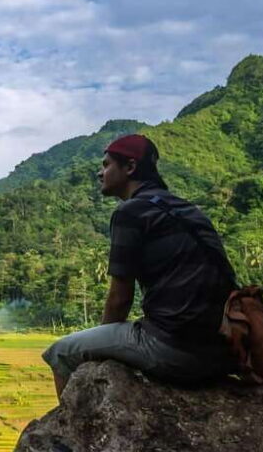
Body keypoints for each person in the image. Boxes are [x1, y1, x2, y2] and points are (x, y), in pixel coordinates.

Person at [42, 134, 237, 398]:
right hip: (223, 351)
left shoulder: (130, 213)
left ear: (130, 167)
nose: (100, 173)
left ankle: (66, 431)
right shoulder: (187, 209)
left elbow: (120, 299)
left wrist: (100, 347)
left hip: (174, 350)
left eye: (107, 164)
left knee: (60, 353)